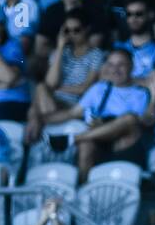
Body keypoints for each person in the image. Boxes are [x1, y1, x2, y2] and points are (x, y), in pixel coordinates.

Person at [38, 47, 149, 181]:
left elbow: (138, 122)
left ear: (131, 67)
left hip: (126, 144)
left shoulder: (141, 92)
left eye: (121, 64)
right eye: (111, 64)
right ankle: (83, 190)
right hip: (101, 144)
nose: (115, 69)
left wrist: (104, 123)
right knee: (86, 145)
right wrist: (39, 120)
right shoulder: (99, 88)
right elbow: (72, 113)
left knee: (130, 118)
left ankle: (74, 138)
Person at [26, 10, 107, 145]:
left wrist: (59, 88)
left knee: (38, 99)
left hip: (74, 105)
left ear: (87, 29)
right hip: (51, 103)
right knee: (40, 87)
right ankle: (39, 124)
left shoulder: (96, 54)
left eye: (76, 30)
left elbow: (84, 88)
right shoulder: (61, 53)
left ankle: (35, 130)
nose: (71, 34)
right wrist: (61, 46)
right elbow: (51, 83)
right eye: (67, 30)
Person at [35, 0, 114, 59]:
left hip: (88, 59)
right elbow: (39, 47)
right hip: (60, 58)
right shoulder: (52, 11)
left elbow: (95, 43)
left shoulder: (94, 8)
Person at [116, 0, 155, 79]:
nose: (133, 19)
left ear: (150, 15)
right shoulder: (117, 47)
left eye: (139, 14)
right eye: (129, 14)